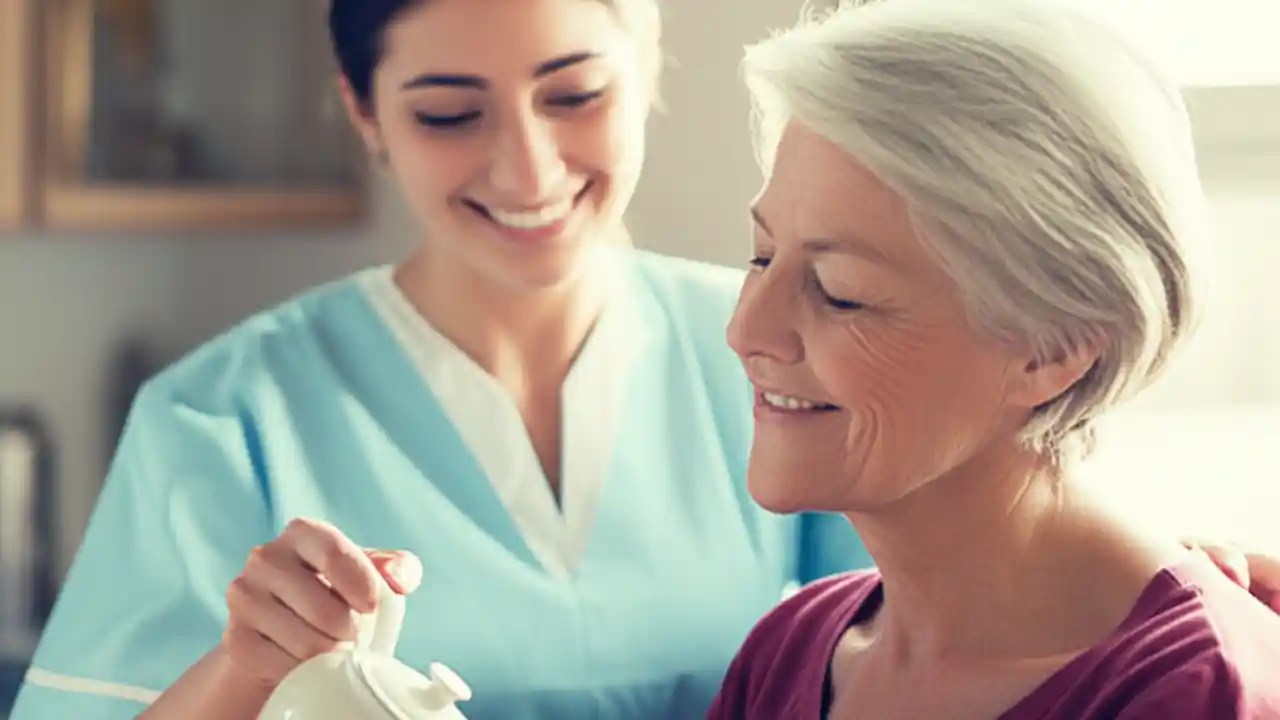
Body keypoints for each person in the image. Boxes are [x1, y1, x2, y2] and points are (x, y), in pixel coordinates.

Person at [8, 1, 1277, 719]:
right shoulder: (229, 414)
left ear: (649, 65)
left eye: (573, 96)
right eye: (449, 113)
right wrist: (247, 667)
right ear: (362, 117)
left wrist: (1172, 598)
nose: (526, 167)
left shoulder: (819, 414)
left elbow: (988, 544)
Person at [709, 1, 1280, 718]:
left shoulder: (1197, 693)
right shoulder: (788, 651)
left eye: (840, 293)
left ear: (1055, 346)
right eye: (761, 257)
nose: (746, 329)